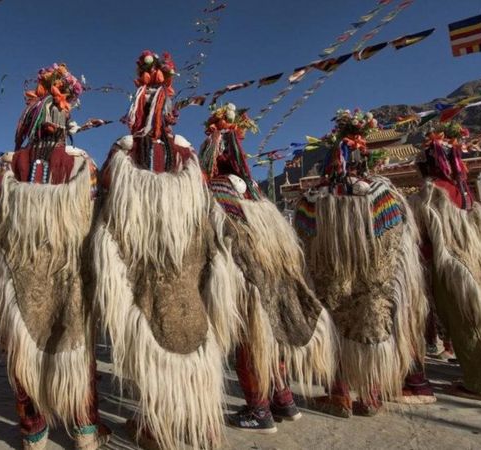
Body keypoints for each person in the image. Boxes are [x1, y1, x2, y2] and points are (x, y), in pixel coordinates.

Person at [90, 51, 241, 450]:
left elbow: (105, 214)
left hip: (149, 272)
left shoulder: (121, 159)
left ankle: (158, 428)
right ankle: (201, 426)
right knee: (195, 338)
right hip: (189, 276)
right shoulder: (190, 162)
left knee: (151, 336)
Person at [0, 63, 110, 450]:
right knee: (77, 349)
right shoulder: (83, 165)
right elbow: (96, 221)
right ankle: (85, 431)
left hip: (21, 278)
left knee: (24, 352)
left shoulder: (8, 166)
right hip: (69, 273)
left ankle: (34, 434)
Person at [199, 104, 337, 433]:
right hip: (274, 283)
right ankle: (284, 401)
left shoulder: (213, 192)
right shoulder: (258, 196)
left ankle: (259, 410)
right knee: (270, 341)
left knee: (249, 343)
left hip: (244, 283)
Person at [293, 109, 429, 417]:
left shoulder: (312, 200)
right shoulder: (388, 197)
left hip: (330, 278)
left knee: (331, 320)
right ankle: (371, 395)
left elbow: (301, 244)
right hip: (374, 282)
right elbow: (403, 249)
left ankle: (338, 393)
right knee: (374, 322)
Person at [410, 123, 481, 403]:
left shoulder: (431, 193)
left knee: (465, 322)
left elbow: (421, 236)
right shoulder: (465, 191)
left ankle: (480, 383)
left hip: (452, 268)